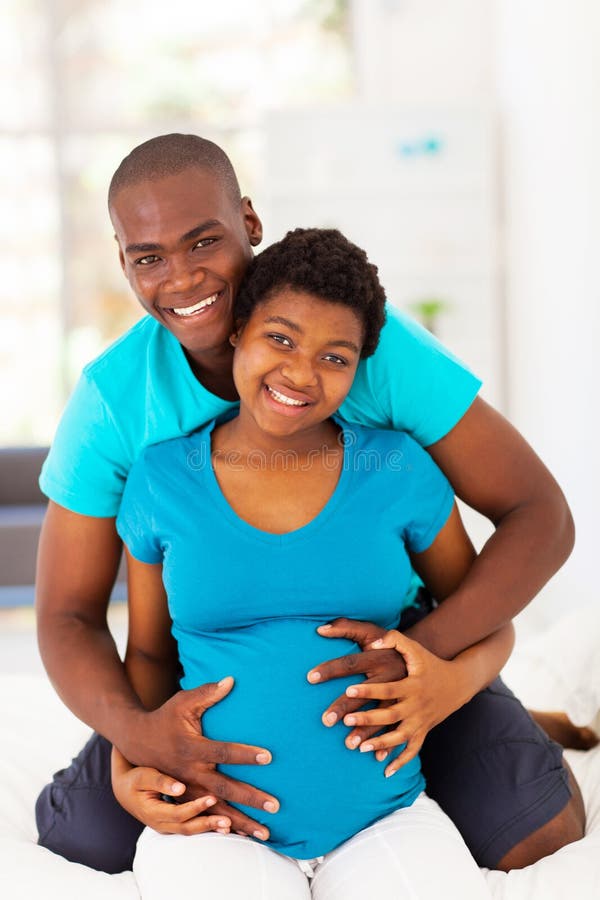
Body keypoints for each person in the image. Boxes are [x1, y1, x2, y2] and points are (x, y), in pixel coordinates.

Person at [35, 134, 583, 875]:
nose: (184, 276)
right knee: (89, 843)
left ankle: (503, 716)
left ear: (249, 223)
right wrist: (137, 735)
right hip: (212, 647)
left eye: (205, 241)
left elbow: (540, 515)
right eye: (148, 257)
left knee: (533, 833)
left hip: (386, 640)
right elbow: (67, 615)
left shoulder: (367, 347)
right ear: (124, 260)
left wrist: (428, 661)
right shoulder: (112, 398)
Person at [112, 226, 508, 898]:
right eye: (282, 338)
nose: (301, 373)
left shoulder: (396, 467)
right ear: (238, 330)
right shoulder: (162, 479)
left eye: (336, 357)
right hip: (216, 824)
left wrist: (450, 682)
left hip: (386, 818)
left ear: (359, 368)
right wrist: (129, 766)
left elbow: (488, 623)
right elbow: (148, 657)